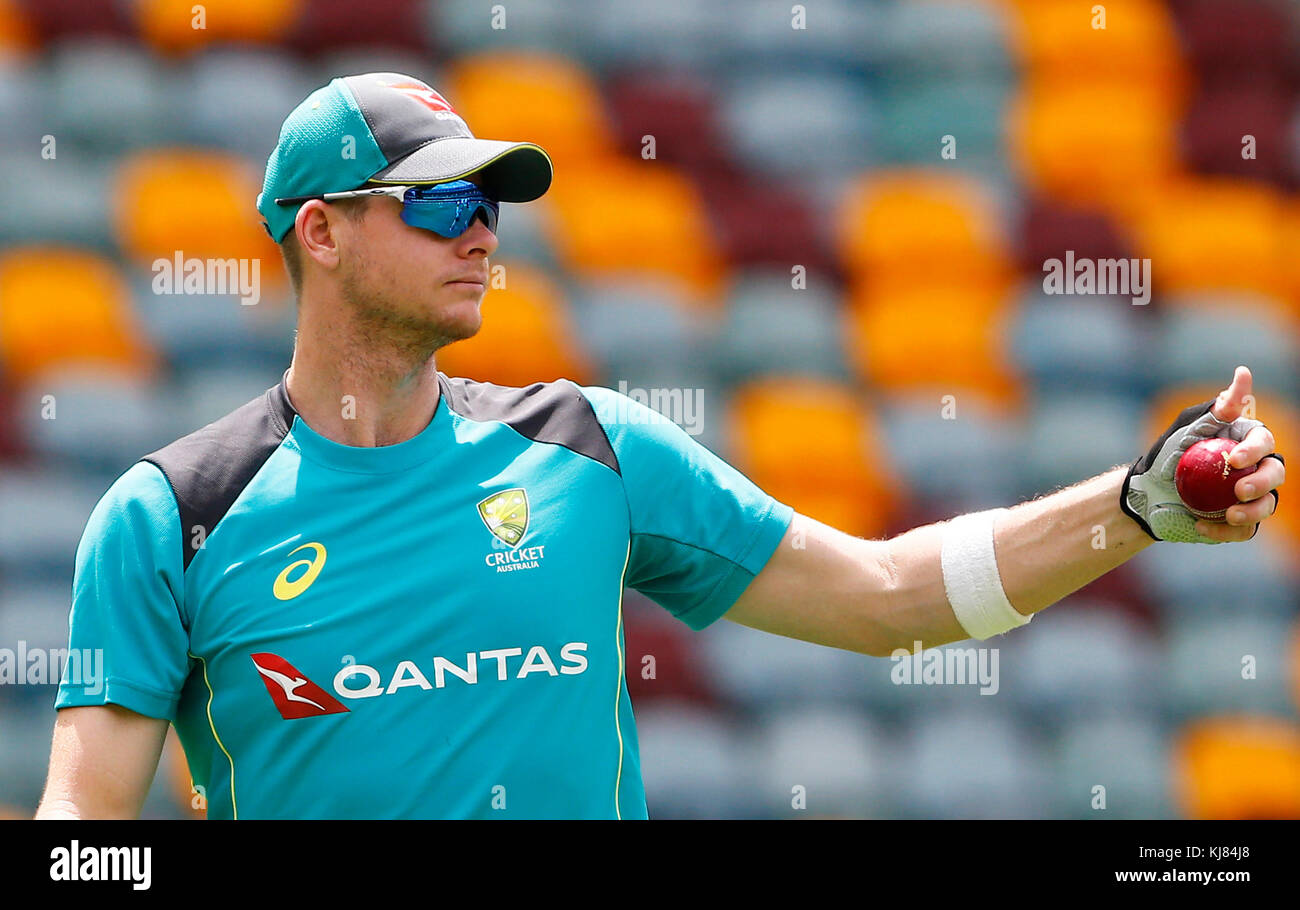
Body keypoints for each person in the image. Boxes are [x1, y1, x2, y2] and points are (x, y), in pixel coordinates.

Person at [36, 73, 1285, 820]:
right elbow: (86, 826)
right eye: (440, 205)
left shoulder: (590, 449)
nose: (481, 235)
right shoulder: (170, 517)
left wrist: (1133, 504)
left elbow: (889, 598)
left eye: (488, 207)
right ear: (318, 231)